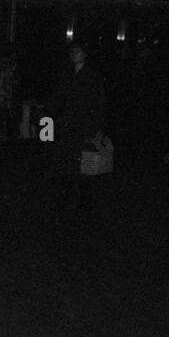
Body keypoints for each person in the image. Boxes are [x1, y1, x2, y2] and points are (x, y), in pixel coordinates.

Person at [45, 39, 105, 224]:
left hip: (83, 126)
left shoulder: (92, 76)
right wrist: (49, 114)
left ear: (85, 54)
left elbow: (98, 103)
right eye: (73, 51)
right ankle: (67, 203)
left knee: (82, 165)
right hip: (67, 125)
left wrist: (96, 128)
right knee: (66, 165)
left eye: (78, 51)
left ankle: (82, 205)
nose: (74, 54)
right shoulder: (68, 74)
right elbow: (58, 98)